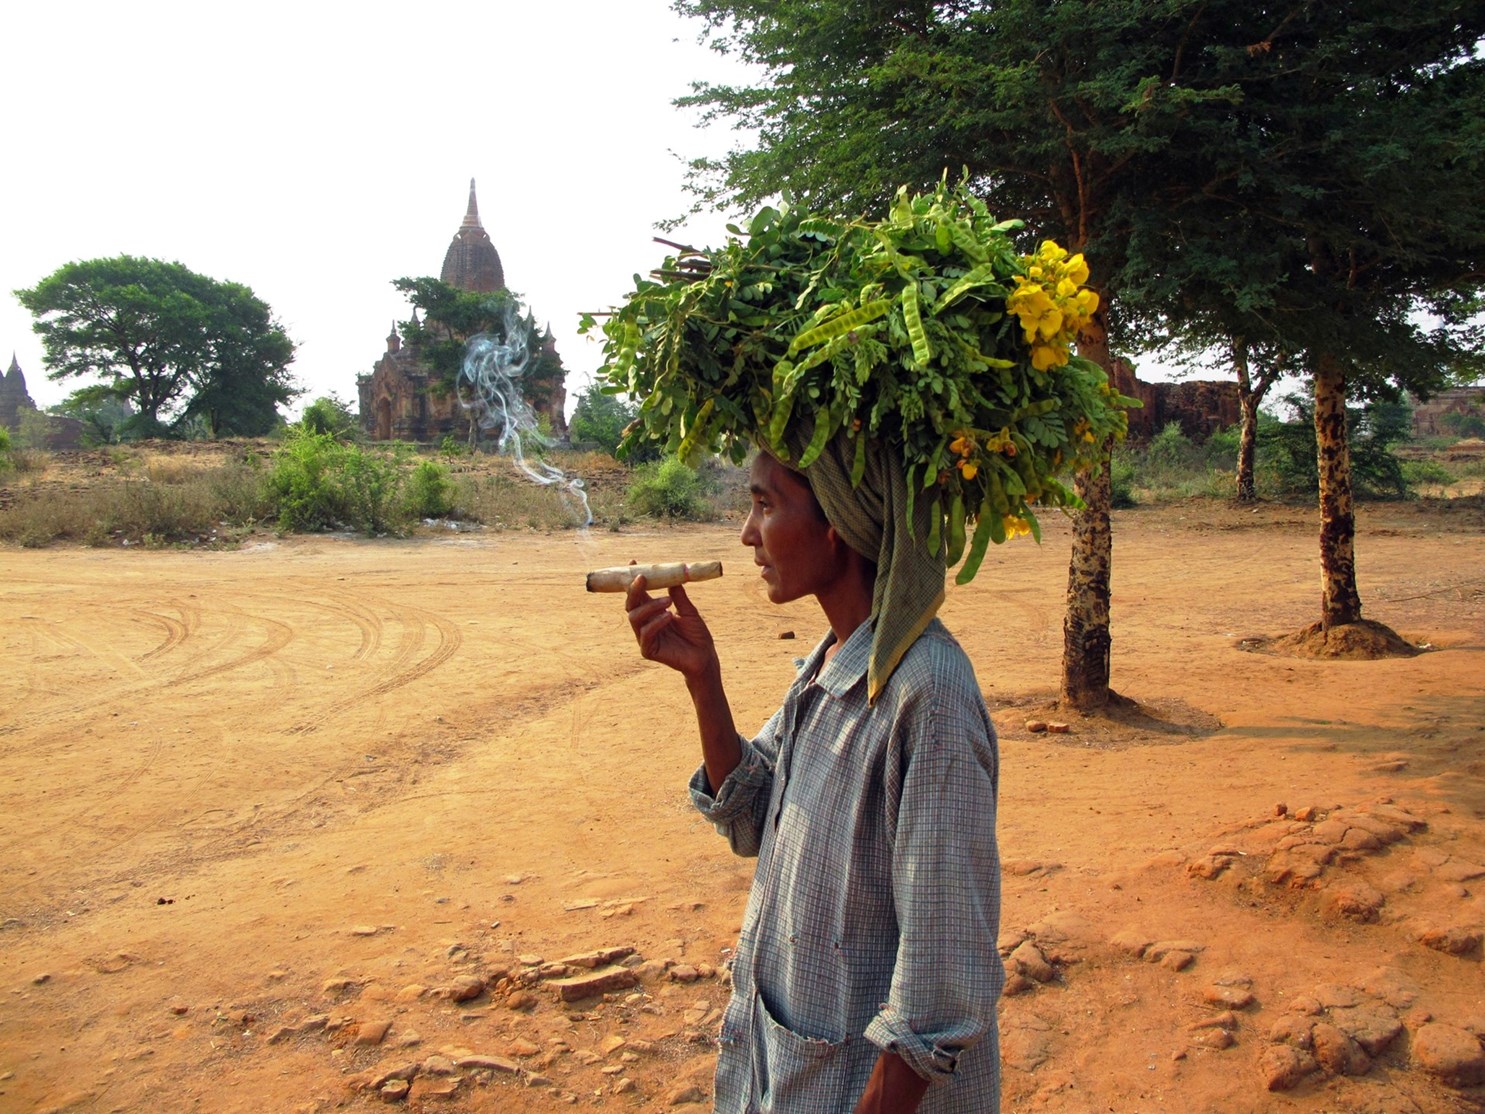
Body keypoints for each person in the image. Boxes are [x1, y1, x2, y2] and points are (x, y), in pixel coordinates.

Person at [624, 441, 1003, 1113]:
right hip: (793, 1079)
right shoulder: (828, 665)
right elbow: (749, 816)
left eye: (765, 505)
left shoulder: (927, 697)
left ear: (839, 525)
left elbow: (940, 989)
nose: (747, 535)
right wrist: (703, 682)